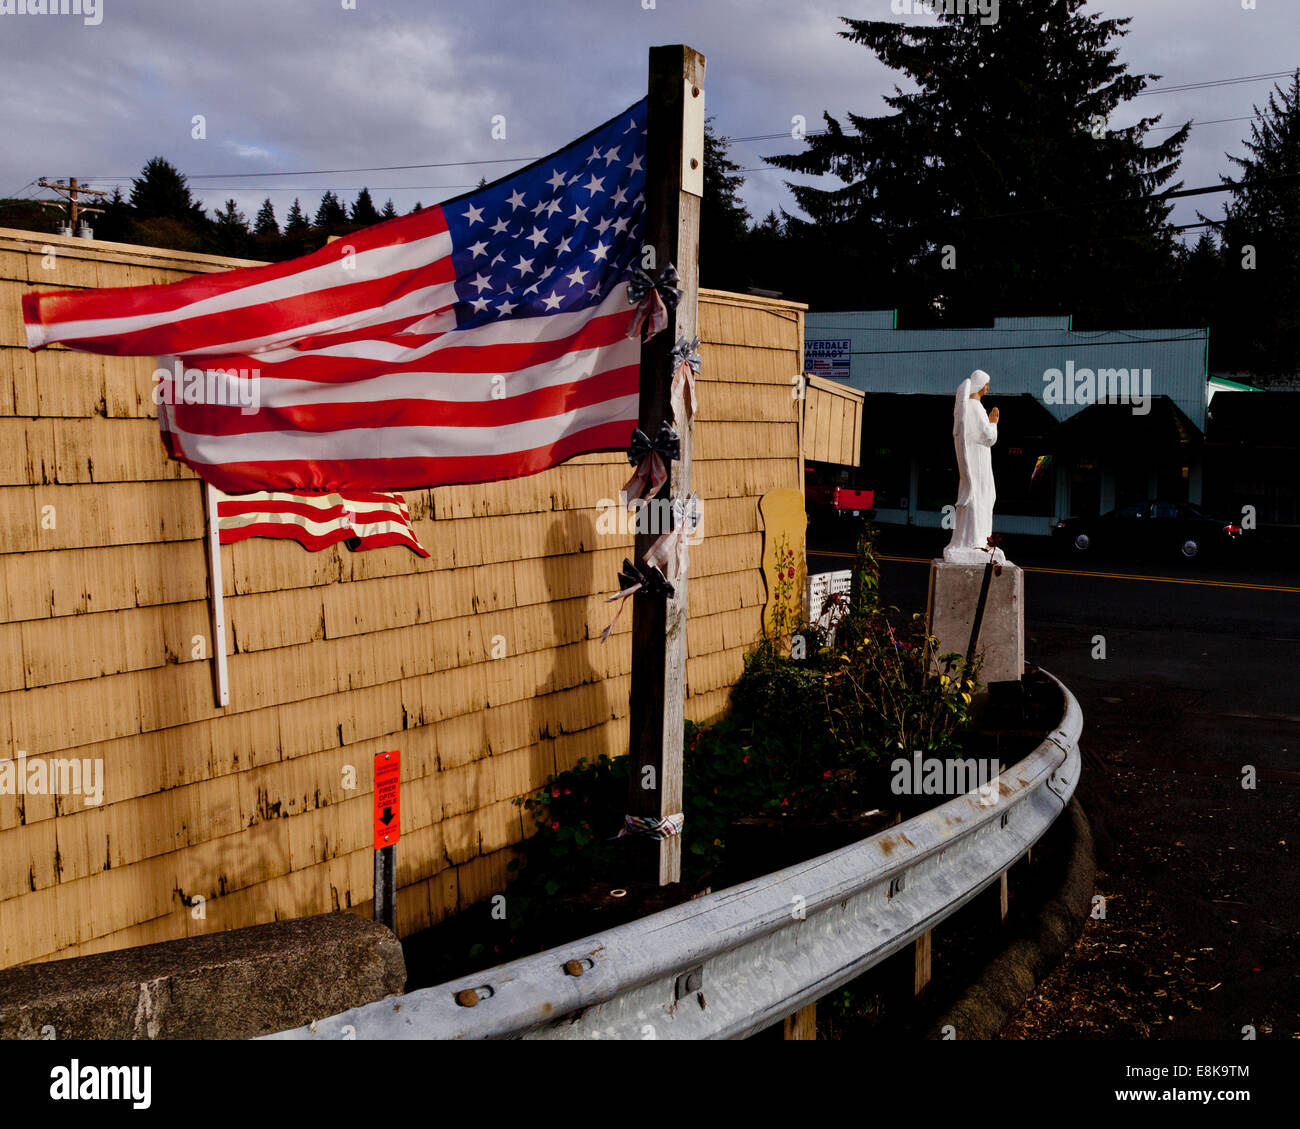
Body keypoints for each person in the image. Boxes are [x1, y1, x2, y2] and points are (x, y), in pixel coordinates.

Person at [943, 370, 1006, 565]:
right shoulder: (976, 407)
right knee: (982, 497)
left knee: (981, 498)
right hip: (978, 464)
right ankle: (977, 540)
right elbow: (988, 436)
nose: (988, 387)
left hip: (976, 461)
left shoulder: (968, 407)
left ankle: (976, 539)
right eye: (987, 383)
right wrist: (993, 422)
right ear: (979, 385)